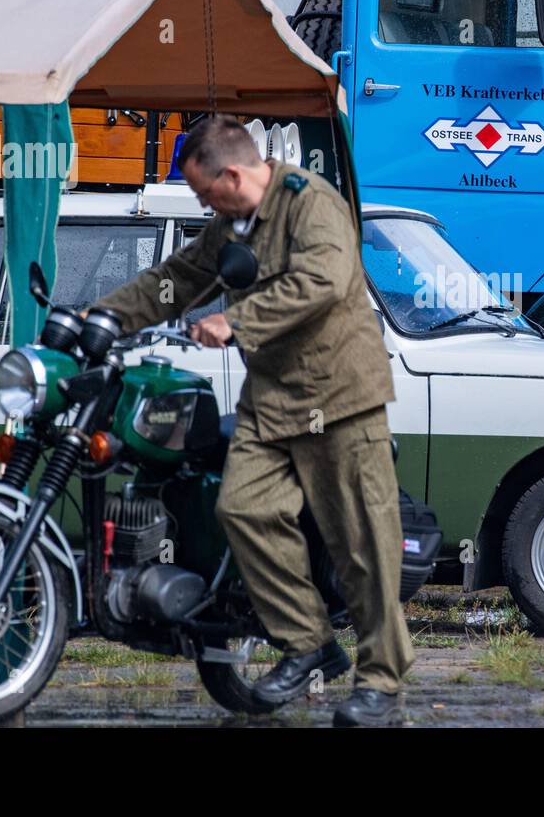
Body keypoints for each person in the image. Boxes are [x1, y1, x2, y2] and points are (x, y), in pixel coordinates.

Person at [92, 114, 413, 727]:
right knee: (242, 508)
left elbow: (320, 281)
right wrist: (104, 317)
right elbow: (178, 279)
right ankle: (308, 642)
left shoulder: (311, 204)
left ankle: (381, 683)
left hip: (338, 396)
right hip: (272, 399)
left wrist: (236, 321)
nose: (202, 204)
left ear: (234, 173)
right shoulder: (231, 224)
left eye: (205, 192)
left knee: (362, 542)